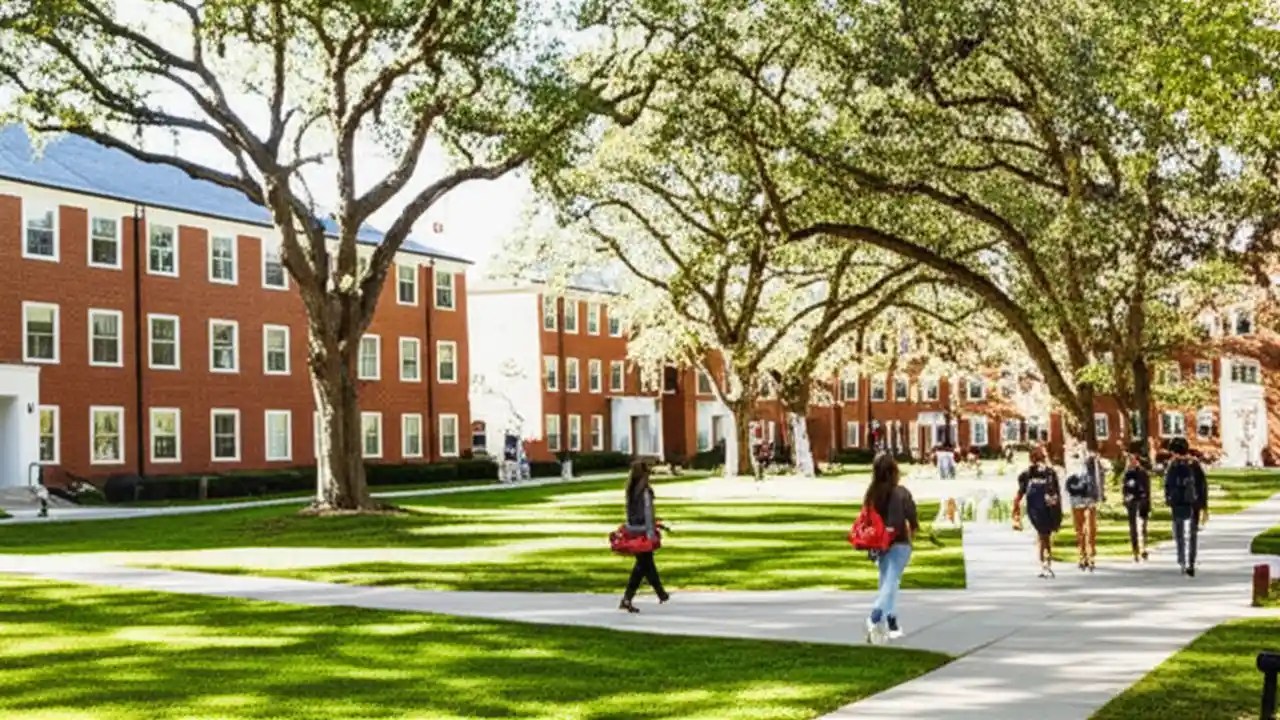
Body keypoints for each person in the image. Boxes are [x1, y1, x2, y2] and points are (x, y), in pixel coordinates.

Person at [864, 452, 919, 643]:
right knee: (891, 582)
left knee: (887, 581)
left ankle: (891, 622)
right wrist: (913, 529)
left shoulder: (872, 494)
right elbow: (910, 516)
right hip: (900, 543)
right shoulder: (901, 492)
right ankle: (875, 616)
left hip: (879, 544)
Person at [620, 461, 670, 612]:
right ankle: (659, 593)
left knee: (643, 564)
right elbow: (648, 513)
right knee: (644, 565)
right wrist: (651, 534)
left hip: (633, 530)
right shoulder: (645, 492)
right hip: (643, 532)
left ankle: (657, 593)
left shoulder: (631, 491)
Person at [1013, 445, 1063, 578]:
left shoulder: (1049, 473)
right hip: (1037, 510)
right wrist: (1016, 507)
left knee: (1043, 537)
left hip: (1044, 509)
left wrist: (1016, 507)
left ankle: (1045, 564)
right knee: (1043, 536)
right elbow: (1020, 492)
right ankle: (1045, 564)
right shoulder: (1029, 474)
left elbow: (1055, 493)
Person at [1164, 437, 1209, 577]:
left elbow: (1168, 485)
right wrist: (1204, 505)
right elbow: (1202, 486)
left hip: (1178, 503)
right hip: (1193, 503)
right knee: (1192, 534)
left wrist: (1168, 499)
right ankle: (1191, 561)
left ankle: (1182, 560)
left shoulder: (1173, 465)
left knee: (1179, 533)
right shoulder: (1194, 464)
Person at [1065, 450, 1106, 572]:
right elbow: (1066, 479)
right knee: (1079, 530)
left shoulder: (1092, 459)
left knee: (1090, 528)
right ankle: (1082, 555)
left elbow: (1099, 476)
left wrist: (1100, 495)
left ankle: (1091, 555)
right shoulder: (1069, 457)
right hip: (1075, 498)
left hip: (1089, 498)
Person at [1121, 453, 1151, 562]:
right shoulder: (1126, 475)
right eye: (1129, 461)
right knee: (1133, 528)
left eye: (1133, 460)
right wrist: (1126, 500)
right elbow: (1124, 490)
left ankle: (1143, 548)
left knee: (1142, 527)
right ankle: (1135, 551)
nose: (1131, 462)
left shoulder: (1143, 473)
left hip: (1142, 503)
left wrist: (1147, 504)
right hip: (1132, 504)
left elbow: (1147, 491)